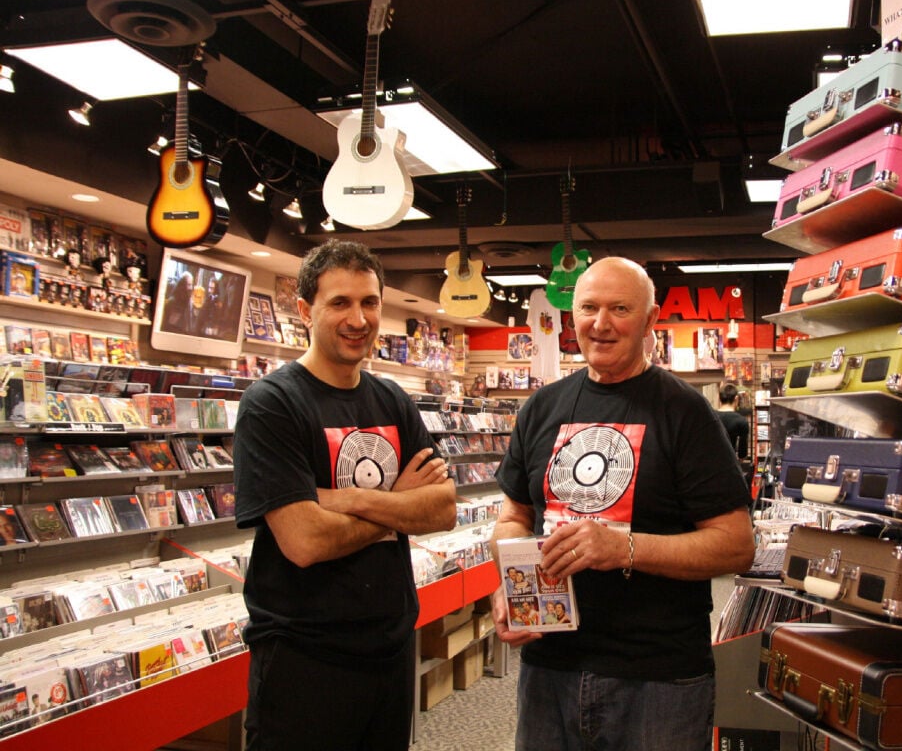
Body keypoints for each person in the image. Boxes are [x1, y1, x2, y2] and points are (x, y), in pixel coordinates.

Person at [489, 256, 755, 751]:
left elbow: (736, 546)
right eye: (588, 307)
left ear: (651, 320)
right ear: (572, 316)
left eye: (620, 309)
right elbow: (513, 516)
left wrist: (623, 550)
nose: (601, 323)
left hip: (657, 679)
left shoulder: (687, 413)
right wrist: (511, 582)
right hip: (550, 670)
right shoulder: (541, 408)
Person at [234, 239, 457, 751]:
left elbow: (442, 508)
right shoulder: (271, 404)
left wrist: (344, 499)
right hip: (304, 659)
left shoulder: (391, 399)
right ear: (305, 310)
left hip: (390, 648)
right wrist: (400, 506)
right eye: (340, 303)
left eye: (370, 302)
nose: (359, 319)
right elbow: (305, 541)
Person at [715, 381, 750, 463]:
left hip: (711, 462)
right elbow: (742, 453)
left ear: (719, 398)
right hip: (729, 462)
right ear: (736, 398)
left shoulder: (711, 416)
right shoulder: (741, 421)